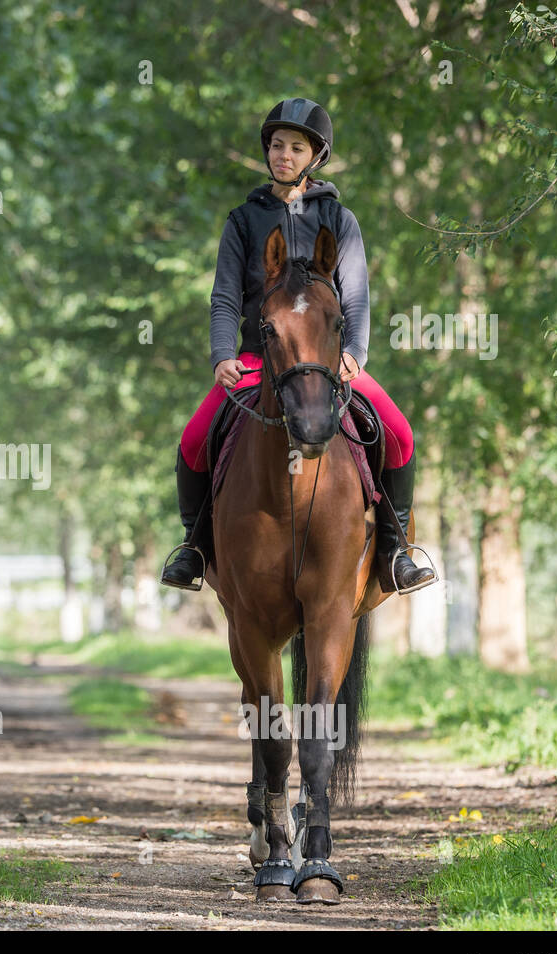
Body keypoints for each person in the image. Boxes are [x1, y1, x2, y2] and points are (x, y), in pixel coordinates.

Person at [161, 97, 435, 594]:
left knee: (400, 433)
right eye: (276, 145)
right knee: (194, 439)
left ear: (315, 156)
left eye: (295, 147)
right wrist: (223, 353)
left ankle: (396, 549)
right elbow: (224, 296)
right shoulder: (242, 221)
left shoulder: (339, 219)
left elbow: (357, 295)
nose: (282, 155)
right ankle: (195, 547)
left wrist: (355, 351)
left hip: (330, 361)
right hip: (256, 358)